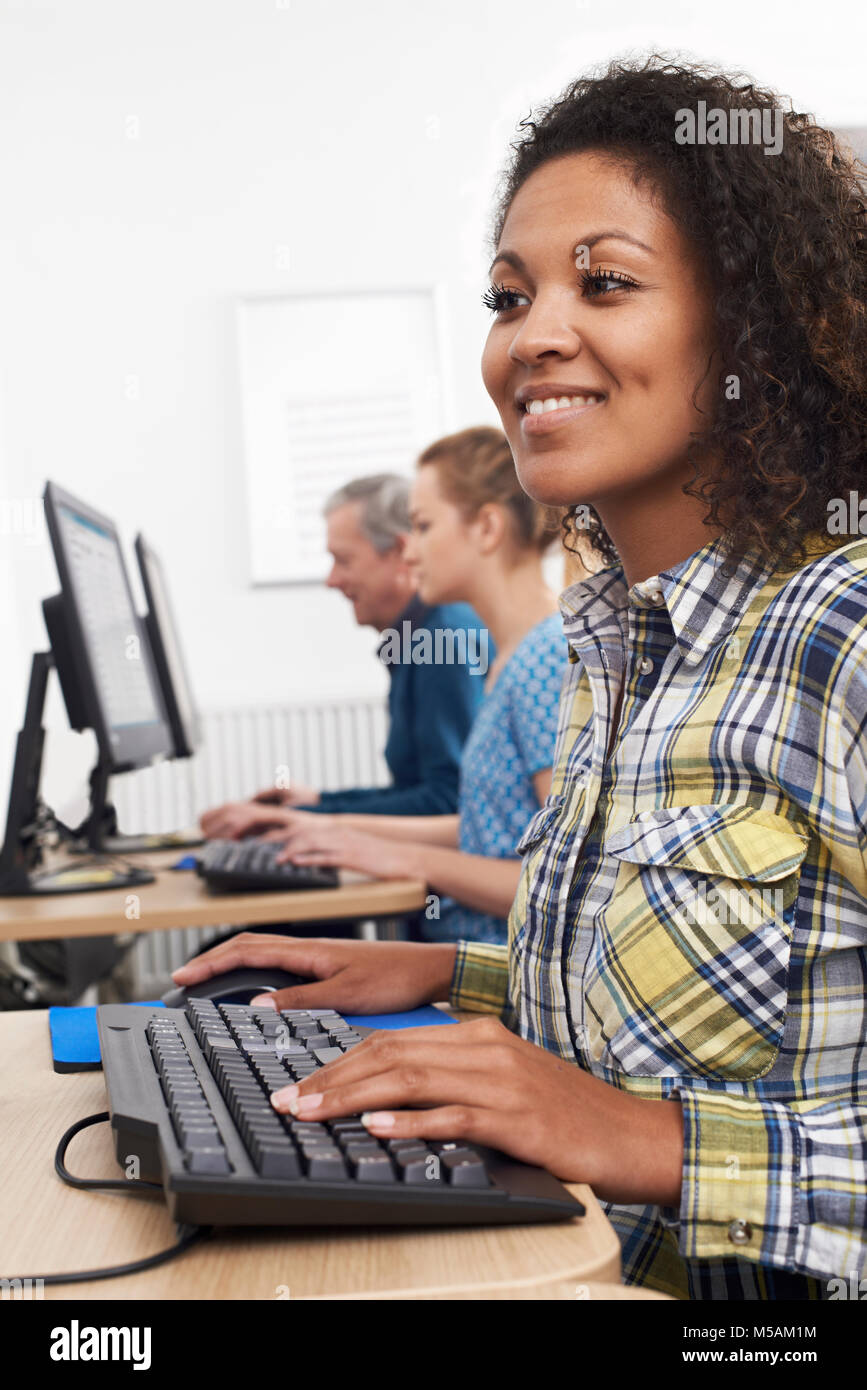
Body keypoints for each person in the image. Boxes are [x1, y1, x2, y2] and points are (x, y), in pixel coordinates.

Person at [174, 56, 867, 1300]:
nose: (533, 335)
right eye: (509, 295)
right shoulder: (616, 643)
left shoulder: (844, 631)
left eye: (605, 282)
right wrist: (444, 974)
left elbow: (656, 1101)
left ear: (751, 327)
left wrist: (647, 1143)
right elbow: (698, 996)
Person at [257, 425, 567, 943]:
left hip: (497, 980)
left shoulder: (545, 660)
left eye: (422, 527)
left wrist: (395, 854)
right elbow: (485, 831)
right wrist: (336, 829)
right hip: (465, 958)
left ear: (487, 528)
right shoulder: (512, 656)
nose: (410, 549)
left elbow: (558, 886)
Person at [200, 473, 486, 837]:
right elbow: (418, 792)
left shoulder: (443, 640)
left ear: (399, 553)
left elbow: (449, 804)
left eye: (343, 560)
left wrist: (312, 818)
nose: (331, 580)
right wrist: (317, 802)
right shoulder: (423, 635)